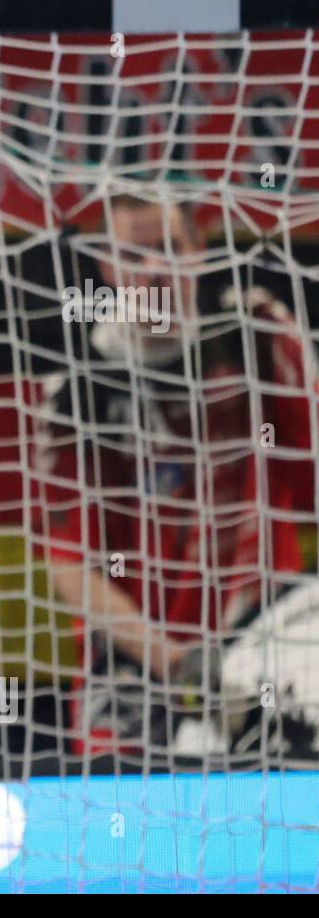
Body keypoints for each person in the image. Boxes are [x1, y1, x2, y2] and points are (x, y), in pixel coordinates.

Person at [39, 195, 317, 754]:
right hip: (137, 657)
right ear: (105, 266)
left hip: (264, 627)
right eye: (133, 254)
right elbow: (71, 568)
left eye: (169, 248)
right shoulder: (78, 385)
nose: (154, 269)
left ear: (199, 252)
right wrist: (178, 664)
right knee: (120, 823)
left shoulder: (253, 333)